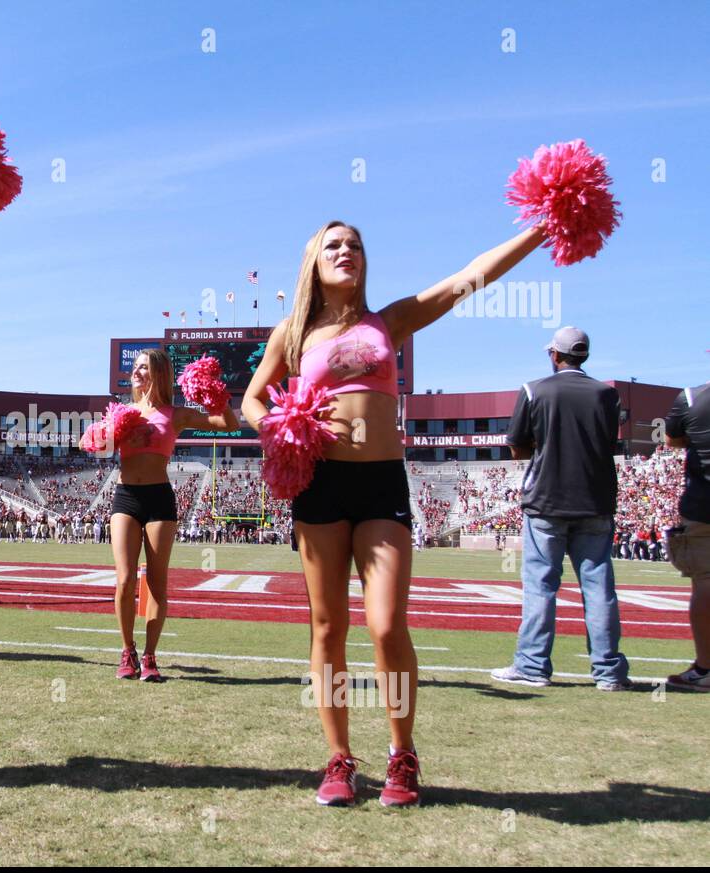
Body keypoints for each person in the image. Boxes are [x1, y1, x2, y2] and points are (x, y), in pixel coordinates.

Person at [243, 219, 546, 808]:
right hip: (320, 484)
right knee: (328, 628)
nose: (346, 252)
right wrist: (280, 428)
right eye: (333, 245)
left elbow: (469, 278)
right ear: (313, 262)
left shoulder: (390, 320)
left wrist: (537, 231)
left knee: (385, 625)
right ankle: (338, 759)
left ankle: (402, 755)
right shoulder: (293, 331)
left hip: (382, 482)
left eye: (354, 245)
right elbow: (253, 399)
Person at [492, 327, 631, 690]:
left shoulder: (533, 389)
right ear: (584, 355)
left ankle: (533, 666)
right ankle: (609, 672)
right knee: (599, 588)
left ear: (555, 355)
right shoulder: (607, 394)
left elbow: (517, 448)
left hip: (546, 500)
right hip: (596, 500)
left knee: (540, 586)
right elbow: (606, 442)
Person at [107, 349, 237, 682]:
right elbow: (89, 441)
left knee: (156, 584)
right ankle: (127, 651)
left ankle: (150, 656)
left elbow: (229, 423)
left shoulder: (175, 414)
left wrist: (211, 391)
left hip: (159, 500)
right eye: (134, 366)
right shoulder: (123, 411)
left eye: (143, 367)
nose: (136, 372)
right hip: (125, 497)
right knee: (124, 580)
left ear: (159, 373)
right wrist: (97, 436)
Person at [665, 377, 710, 691]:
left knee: (706, 581)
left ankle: (706, 667)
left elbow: (673, 439)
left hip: (704, 504)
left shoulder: (692, 398)